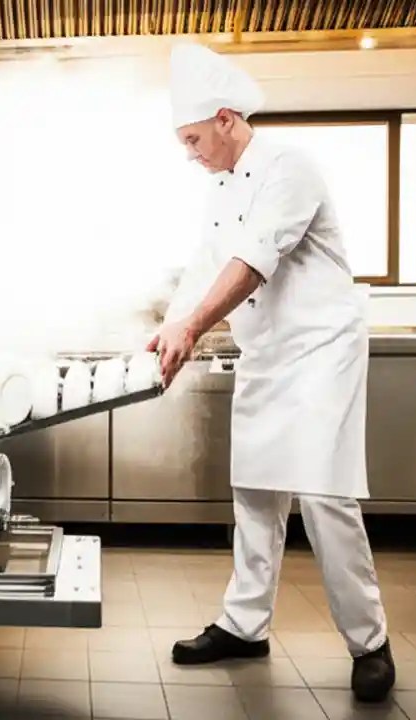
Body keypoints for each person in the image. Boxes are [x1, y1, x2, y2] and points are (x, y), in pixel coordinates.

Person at [147, 43, 396, 703]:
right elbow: (205, 266)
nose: (192, 154)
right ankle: (244, 623)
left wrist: (194, 328)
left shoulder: (292, 168)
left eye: (196, 139)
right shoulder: (218, 189)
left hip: (320, 351)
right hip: (265, 353)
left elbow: (255, 260)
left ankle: (370, 643)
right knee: (255, 490)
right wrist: (170, 334)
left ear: (227, 119)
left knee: (322, 495)